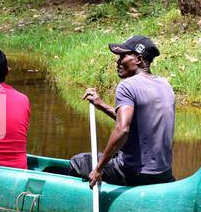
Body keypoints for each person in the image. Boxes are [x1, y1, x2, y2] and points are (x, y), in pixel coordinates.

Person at [69, 34, 176, 187]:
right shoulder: (165, 85)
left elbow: (123, 129)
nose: (118, 62)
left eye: (123, 57)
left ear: (138, 59)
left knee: (78, 162)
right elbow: (136, 123)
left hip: (133, 173)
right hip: (163, 173)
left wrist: (99, 168)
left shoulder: (127, 86)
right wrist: (101, 105)